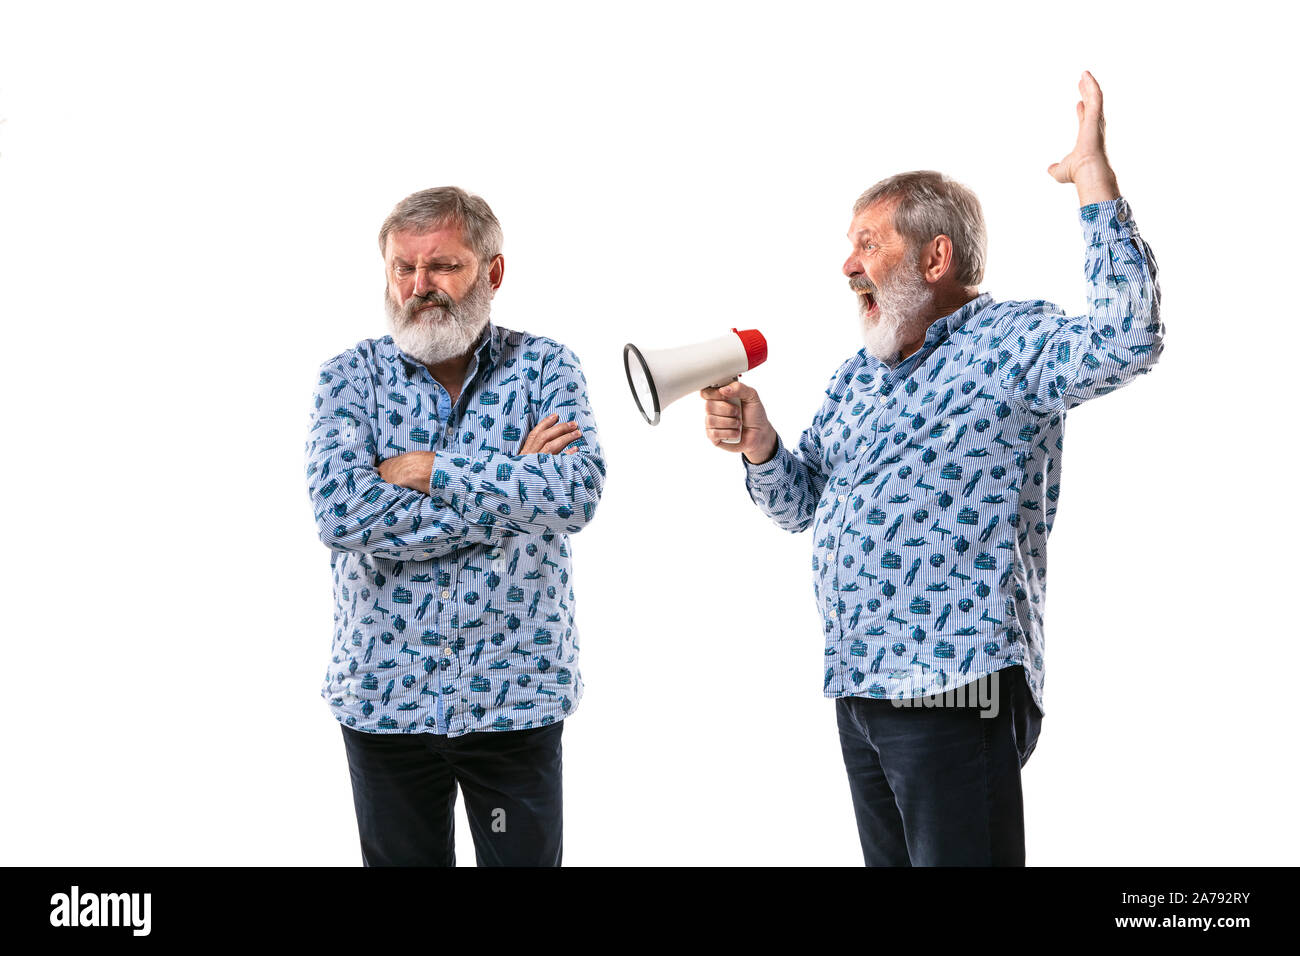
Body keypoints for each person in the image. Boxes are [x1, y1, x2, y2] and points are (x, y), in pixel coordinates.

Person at [700, 72, 1163, 865]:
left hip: (957, 686)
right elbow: (801, 502)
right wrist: (761, 443)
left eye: (869, 243)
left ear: (937, 256)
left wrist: (1092, 179)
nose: (848, 264)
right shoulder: (860, 374)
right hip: (859, 690)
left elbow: (1129, 337)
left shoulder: (1013, 343)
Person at [304, 186, 606, 866]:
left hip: (515, 701)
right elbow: (341, 511)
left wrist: (429, 470)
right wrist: (510, 486)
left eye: (441, 266)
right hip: (384, 700)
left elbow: (576, 494)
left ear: (491, 272)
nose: (419, 286)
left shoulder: (545, 368)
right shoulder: (349, 379)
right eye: (403, 269)